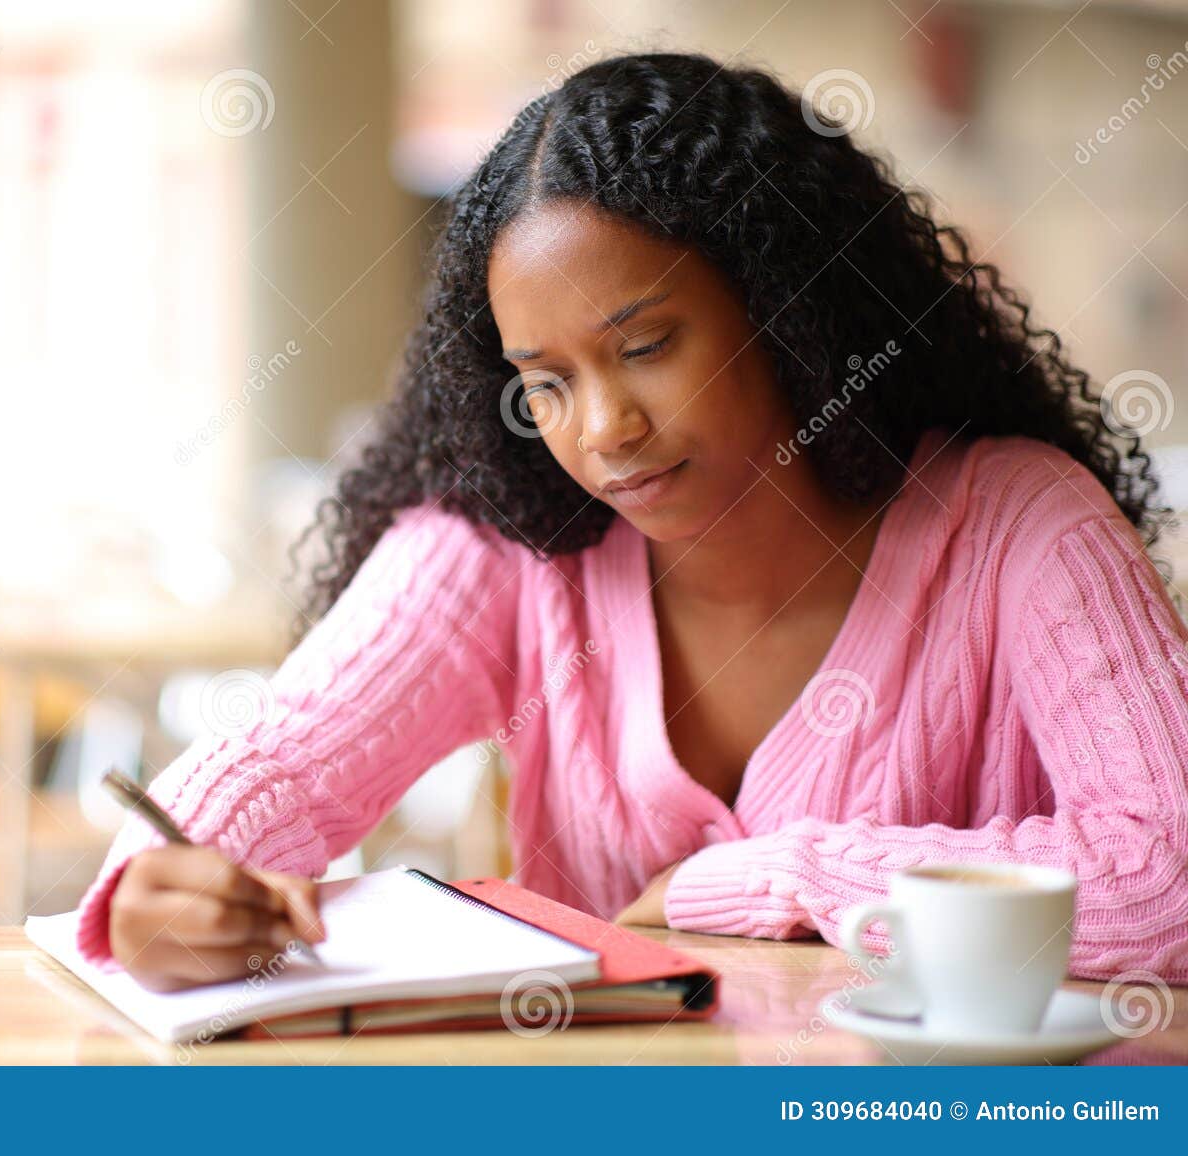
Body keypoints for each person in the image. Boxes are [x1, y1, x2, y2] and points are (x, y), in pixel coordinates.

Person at [80, 52, 1188, 991]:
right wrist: (159, 886)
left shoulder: (1020, 527)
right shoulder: (515, 549)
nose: (602, 428)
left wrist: (771, 879)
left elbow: (1169, 875)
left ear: (783, 305)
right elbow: (285, 758)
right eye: (546, 382)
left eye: (645, 347)